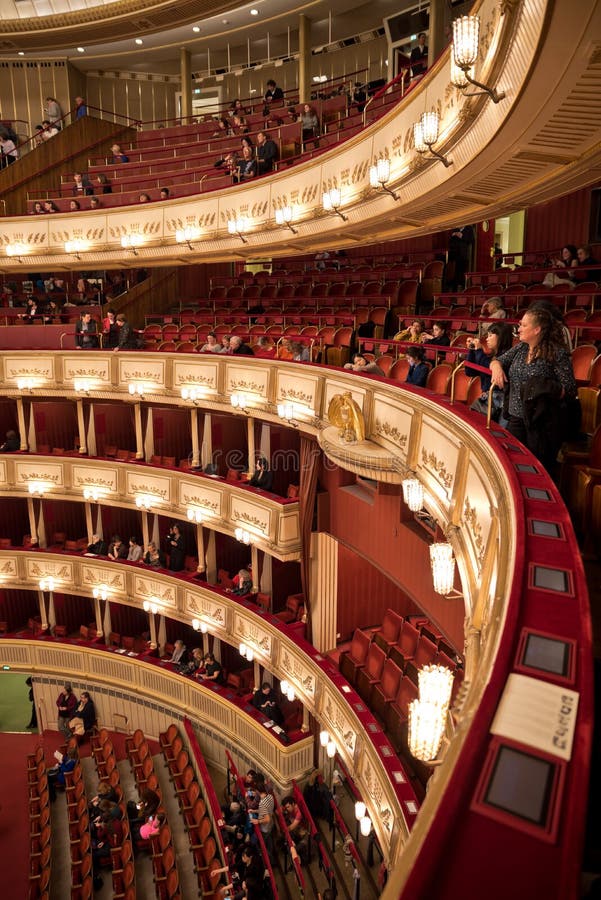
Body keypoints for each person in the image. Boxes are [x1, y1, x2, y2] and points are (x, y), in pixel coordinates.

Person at [490, 306, 577, 470]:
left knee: (537, 469)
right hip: (516, 418)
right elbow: (498, 360)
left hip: (541, 424)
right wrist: (496, 367)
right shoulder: (521, 348)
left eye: (523, 325)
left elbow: (570, 389)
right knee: (513, 466)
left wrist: (544, 387)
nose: (519, 328)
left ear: (537, 329)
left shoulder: (557, 353)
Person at [465, 322, 513, 420]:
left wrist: (478, 351)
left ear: (501, 337)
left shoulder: (506, 357)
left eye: (490, 335)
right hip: (488, 400)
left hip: (500, 404)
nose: (487, 339)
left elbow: (487, 367)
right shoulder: (490, 356)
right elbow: (469, 372)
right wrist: (472, 349)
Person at [446, 225, 475, 290]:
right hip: (454, 255)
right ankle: (454, 290)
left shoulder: (469, 228)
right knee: (454, 273)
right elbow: (450, 242)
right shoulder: (455, 229)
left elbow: (472, 240)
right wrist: (453, 235)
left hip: (464, 255)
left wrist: (462, 236)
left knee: (462, 273)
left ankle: (463, 289)